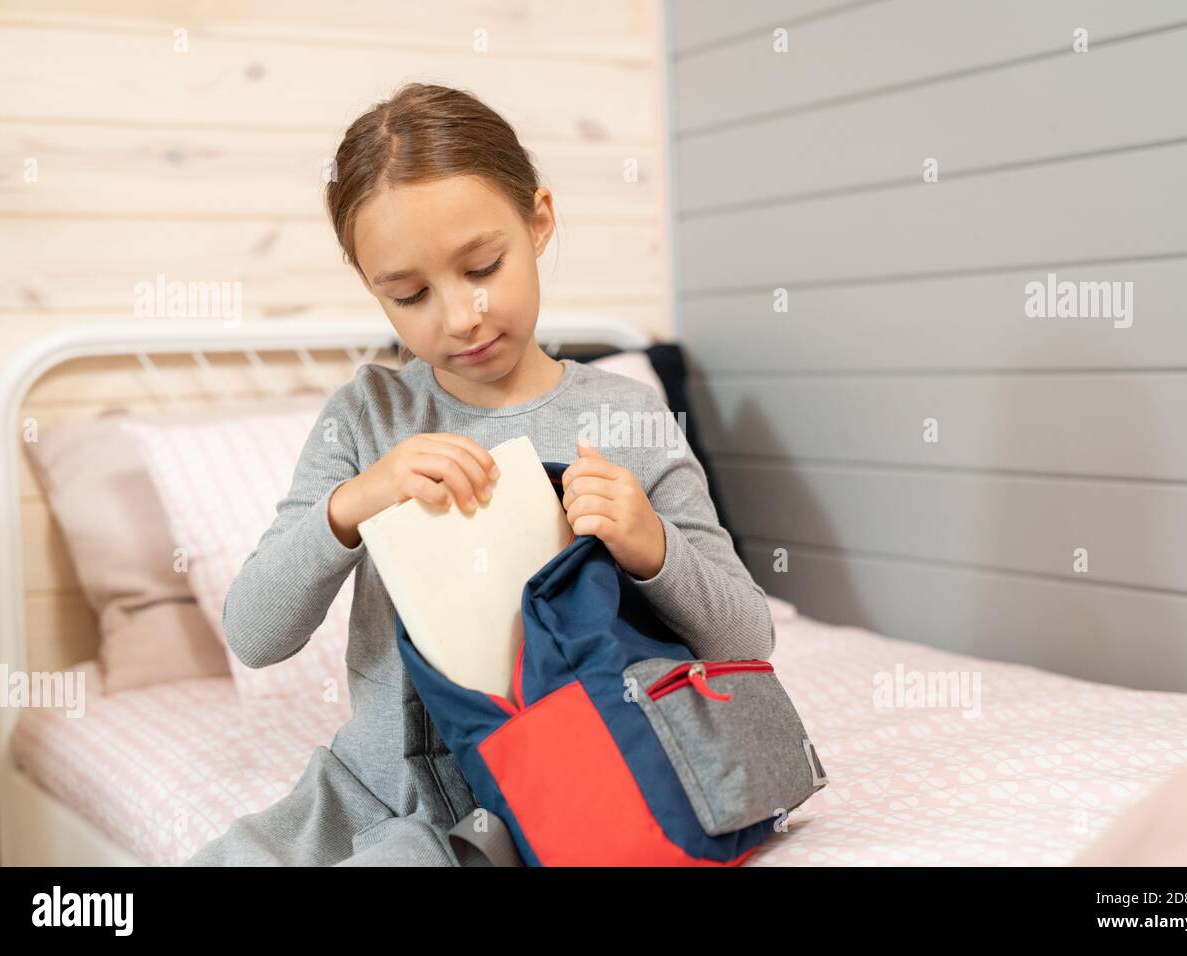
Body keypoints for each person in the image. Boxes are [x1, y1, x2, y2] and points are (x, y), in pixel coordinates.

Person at [183, 82, 775, 866]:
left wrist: (652, 547)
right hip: (369, 788)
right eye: (411, 293)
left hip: (555, 797)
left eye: (483, 266)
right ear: (373, 287)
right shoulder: (367, 417)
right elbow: (255, 635)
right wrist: (351, 507)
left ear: (539, 220)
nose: (460, 316)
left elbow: (748, 637)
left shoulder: (628, 417)